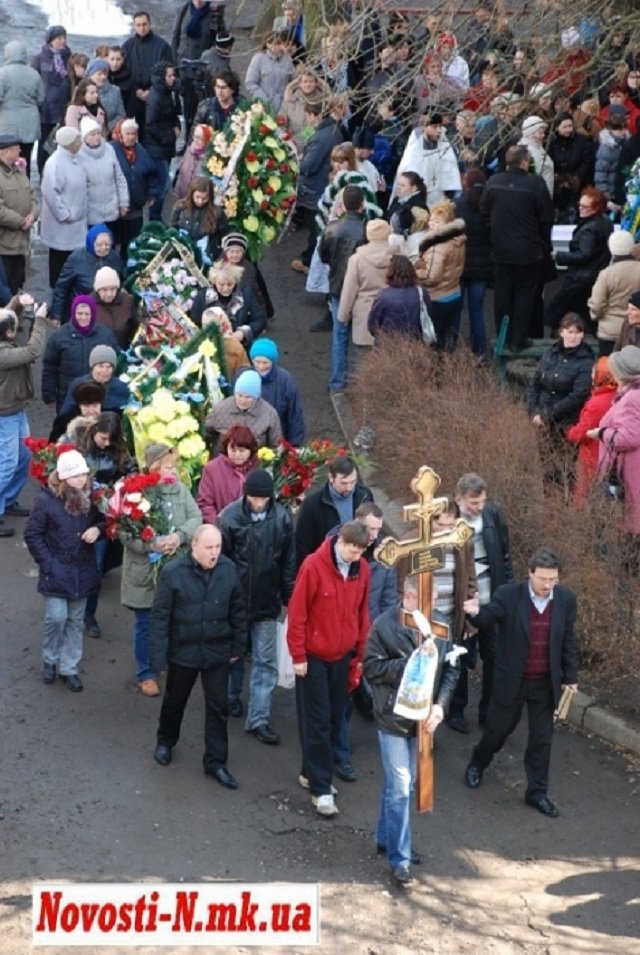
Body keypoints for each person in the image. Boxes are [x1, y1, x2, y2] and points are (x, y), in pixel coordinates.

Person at [464, 548, 578, 818]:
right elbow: (488, 617)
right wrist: (474, 612)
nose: (547, 585)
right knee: (497, 730)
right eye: (543, 579)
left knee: (542, 740)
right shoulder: (508, 594)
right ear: (530, 573)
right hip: (512, 679)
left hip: (544, 682)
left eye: (553, 579)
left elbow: (568, 640)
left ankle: (537, 793)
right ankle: (478, 763)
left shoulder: (565, 600)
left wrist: (571, 677)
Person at [364, 575, 460, 885]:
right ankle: (400, 859)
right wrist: (408, 665)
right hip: (393, 716)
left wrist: (440, 706)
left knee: (404, 784)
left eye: (436, 601)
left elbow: (452, 669)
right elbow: (371, 668)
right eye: (427, 601)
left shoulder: (441, 624)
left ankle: (386, 837)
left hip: (423, 719)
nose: (434, 608)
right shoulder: (385, 625)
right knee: (401, 786)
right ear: (408, 598)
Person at [149, 524, 246, 789]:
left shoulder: (228, 570)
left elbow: (238, 610)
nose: (214, 553)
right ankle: (165, 741)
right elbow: (160, 617)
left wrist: (238, 647)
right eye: (209, 547)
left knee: (218, 707)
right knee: (175, 699)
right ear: (194, 546)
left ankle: (216, 761)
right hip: (184, 650)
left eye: (218, 547)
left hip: (217, 650)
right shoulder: (173, 573)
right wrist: (158, 658)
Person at [287, 520, 371, 816]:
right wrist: (298, 655)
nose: (355, 556)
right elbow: (297, 613)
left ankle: (310, 772)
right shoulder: (313, 566)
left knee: (335, 718)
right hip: (314, 658)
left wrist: (359, 654)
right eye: (352, 550)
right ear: (341, 541)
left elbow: (362, 612)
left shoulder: (363, 570)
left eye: (361, 551)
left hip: (342, 656)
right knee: (318, 721)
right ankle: (321, 789)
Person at [218, 469, 295, 742]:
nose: (259, 503)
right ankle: (230, 697)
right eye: (254, 498)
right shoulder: (229, 518)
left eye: (263, 499)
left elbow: (288, 563)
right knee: (233, 655)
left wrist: (289, 599)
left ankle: (258, 718)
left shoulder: (283, 519)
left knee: (265, 662)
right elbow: (221, 562)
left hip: (266, 601)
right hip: (235, 602)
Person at [121, 442, 202, 698]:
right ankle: (146, 673)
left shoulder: (180, 490)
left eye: (174, 466)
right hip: (145, 571)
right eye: (168, 467)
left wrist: (179, 537)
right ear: (153, 468)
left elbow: (196, 517)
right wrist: (151, 544)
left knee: (172, 620)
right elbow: (125, 531)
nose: (173, 471)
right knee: (146, 622)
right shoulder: (136, 493)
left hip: (174, 567)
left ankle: (164, 661)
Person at [24, 449, 104, 692]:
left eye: (84, 474)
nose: (81, 479)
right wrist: (49, 564)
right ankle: (50, 658)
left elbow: (105, 520)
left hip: (82, 569)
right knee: (57, 617)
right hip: (57, 571)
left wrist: (98, 530)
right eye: (76, 475)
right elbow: (33, 534)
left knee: (75, 621)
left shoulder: (92, 498)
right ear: (64, 477)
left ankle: (70, 668)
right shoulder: (46, 501)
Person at [449, 473, 513, 732]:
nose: (479, 507)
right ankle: (456, 710)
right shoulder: (448, 521)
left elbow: (505, 557)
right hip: (461, 602)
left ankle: (488, 711)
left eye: (482, 501)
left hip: (491, 600)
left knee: (494, 658)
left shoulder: (492, 516)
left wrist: (507, 595)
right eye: (474, 503)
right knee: (459, 657)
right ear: (459, 499)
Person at [481, 144, 554, 351]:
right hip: (528, 251)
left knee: (502, 295)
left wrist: (495, 232)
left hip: (501, 250)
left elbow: (484, 211)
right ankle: (518, 339)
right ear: (525, 161)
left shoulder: (493, 182)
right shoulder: (536, 184)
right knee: (525, 295)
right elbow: (546, 217)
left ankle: (503, 336)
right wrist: (542, 241)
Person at [77, 412, 134, 637]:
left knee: (97, 566)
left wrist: (123, 484)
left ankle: (88, 614)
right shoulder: (79, 447)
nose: (106, 443)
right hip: (77, 512)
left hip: (102, 516)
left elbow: (131, 471)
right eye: (103, 438)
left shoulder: (119, 451)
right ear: (94, 431)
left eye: (111, 439)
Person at [0, 296, 48, 538]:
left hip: (15, 410)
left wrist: (18, 301)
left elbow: (6, 317)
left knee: (25, 456)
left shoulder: (4, 338)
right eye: (15, 328)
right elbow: (33, 351)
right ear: (9, 333)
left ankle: (7, 500)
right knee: (7, 463)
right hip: (5, 416)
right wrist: (40, 321)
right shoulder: (3, 355)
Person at [529, 313, 595, 484]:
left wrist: (548, 415)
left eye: (578, 332)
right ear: (561, 332)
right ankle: (548, 498)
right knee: (546, 467)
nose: (574, 336)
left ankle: (565, 499)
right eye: (570, 331)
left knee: (565, 469)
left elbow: (578, 395)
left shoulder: (585, 361)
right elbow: (535, 383)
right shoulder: (549, 353)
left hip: (567, 422)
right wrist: (534, 410)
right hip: (543, 421)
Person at [318, 184, 366, 393]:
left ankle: (337, 382)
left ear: (343, 205)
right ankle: (359, 383)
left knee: (339, 336)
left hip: (338, 285)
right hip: (361, 290)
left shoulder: (332, 228)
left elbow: (323, 256)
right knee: (361, 339)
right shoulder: (367, 229)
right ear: (362, 204)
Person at [545, 187, 612, 332]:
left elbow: (584, 255)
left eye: (584, 206)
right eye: (580, 205)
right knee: (586, 314)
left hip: (580, 278)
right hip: (592, 275)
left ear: (595, 208)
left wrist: (559, 256)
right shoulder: (605, 222)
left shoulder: (589, 229)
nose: (580, 208)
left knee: (558, 313)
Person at [590, 346, 640, 542]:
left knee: (630, 537)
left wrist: (601, 433)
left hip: (631, 475)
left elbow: (628, 438)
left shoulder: (632, 398)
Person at [295, 455, 373, 569]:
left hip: (358, 564)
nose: (349, 488)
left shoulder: (364, 496)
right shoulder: (312, 505)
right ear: (331, 477)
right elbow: (302, 546)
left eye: (353, 482)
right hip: (326, 567)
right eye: (344, 483)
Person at [414, 198, 466, 351]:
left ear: (446, 223)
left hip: (438, 297)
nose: (431, 224)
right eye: (431, 220)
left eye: (437, 222)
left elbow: (431, 277)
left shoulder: (438, 246)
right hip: (455, 292)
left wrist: (415, 272)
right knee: (449, 342)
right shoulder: (458, 239)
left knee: (432, 341)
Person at [337, 218, 393, 359]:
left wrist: (343, 316)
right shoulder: (398, 256)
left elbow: (349, 290)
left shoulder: (357, 259)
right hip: (390, 314)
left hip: (364, 315)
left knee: (362, 362)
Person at [39, 126, 88, 288]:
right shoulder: (54, 163)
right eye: (78, 140)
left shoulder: (76, 158)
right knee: (60, 261)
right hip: (62, 224)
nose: (81, 143)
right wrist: (64, 214)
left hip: (76, 221)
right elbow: (50, 192)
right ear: (69, 144)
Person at [566, 357, 618, 503]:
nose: (591, 375)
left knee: (585, 495)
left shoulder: (597, 403)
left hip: (593, 456)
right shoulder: (618, 396)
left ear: (601, 377)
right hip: (610, 457)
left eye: (594, 372)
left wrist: (569, 431)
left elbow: (580, 433)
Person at [50, 224, 122, 324]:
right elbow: (61, 288)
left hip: (106, 311)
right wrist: (56, 316)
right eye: (99, 245)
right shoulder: (76, 258)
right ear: (91, 242)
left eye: (107, 244)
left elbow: (120, 283)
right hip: (81, 312)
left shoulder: (115, 258)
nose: (103, 248)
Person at [454, 167, 492, 357]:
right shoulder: (489, 205)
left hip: (460, 266)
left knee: (456, 311)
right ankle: (480, 352)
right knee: (477, 311)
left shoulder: (458, 205)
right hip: (482, 267)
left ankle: (451, 348)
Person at [111, 117, 162, 253]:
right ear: (120, 134)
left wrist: (152, 194)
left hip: (136, 206)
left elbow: (151, 174)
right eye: (128, 134)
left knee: (132, 244)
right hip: (115, 207)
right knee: (113, 242)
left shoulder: (140, 150)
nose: (131, 137)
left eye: (134, 134)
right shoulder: (111, 150)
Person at [393, 112, 461, 206]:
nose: (439, 130)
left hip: (439, 200)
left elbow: (451, 175)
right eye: (434, 127)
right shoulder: (415, 149)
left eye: (440, 126)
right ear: (424, 127)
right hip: (417, 201)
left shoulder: (444, 147)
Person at [121, 12, 173, 137]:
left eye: (144, 24)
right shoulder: (128, 46)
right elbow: (123, 72)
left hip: (157, 97)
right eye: (138, 25)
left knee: (153, 134)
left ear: (150, 24)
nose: (142, 28)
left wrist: (152, 90)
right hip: (133, 97)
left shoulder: (162, 46)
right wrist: (136, 90)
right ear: (134, 26)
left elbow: (168, 72)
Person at [205, 369, 282, 453]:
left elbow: (276, 445)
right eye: (239, 395)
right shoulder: (220, 409)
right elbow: (206, 433)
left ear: (256, 397)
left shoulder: (269, 414)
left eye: (248, 397)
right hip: (223, 459)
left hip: (255, 460)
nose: (243, 400)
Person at [190, 262, 265, 345]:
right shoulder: (202, 296)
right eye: (221, 284)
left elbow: (260, 319)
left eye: (230, 284)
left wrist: (243, 332)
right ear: (214, 281)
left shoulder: (246, 294)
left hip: (239, 345)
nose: (225, 289)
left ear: (235, 281)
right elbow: (194, 322)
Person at [197, 423, 257, 525]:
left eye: (242, 451)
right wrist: (219, 525)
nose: (237, 455)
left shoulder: (258, 468)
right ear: (226, 448)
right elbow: (205, 504)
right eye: (233, 450)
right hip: (220, 526)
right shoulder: (212, 469)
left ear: (250, 450)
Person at [0, 41, 44, 178]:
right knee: (25, 160)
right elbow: (41, 98)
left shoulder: (2, 74)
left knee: (6, 161)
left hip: (7, 124)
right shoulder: (34, 74)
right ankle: (25, 185)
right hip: (30, 123)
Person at [249, 338, 305, 446]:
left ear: (273, 361)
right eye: (257, 362)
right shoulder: (244, 378)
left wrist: (294, 444)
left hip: (278, 439)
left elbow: (294, 413)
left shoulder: (285, 380)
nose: (261, 367)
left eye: (265, 362)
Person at [0, 135, 38, 294]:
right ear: (4, 152)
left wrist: (33, 214)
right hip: (4, 247)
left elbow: (33, 196)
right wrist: (22, 222)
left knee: (18, 285)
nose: (20, 151)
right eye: (16, 149)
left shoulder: (19, 172)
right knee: (5, 291)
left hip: (21, 245)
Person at [78, 116, 130, 232]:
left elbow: (119, 178)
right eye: (92, 134)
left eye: (98, 133)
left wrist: (123, 202)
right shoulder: (79, 156)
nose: (96, 137)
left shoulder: (109, 150)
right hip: (91, 215)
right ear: (84, 137)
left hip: (112, 212)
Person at [32, 25, 71, 178]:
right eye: (58, 38)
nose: (62, 41)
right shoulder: (39, 59)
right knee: (44, 145)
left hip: (64, 108)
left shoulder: (69, 58)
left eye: (64, 38)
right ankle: (43, 175)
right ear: (50, 40)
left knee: (63, 144)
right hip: (45, 110)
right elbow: (33, 83)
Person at [144, 61, 180, 221]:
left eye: (173, 75)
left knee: (162, 182)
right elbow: (150, 125)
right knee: (163, 182)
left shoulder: (168, 92)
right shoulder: (156, 97)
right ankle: (155, 217)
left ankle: (156, 216)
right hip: (157, 147)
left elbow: (174, 113)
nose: (173, 78)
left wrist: (177, 126)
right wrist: (170, 136)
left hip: (165, 146)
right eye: (169, 76)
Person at [368, 254, 428, 343]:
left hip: (388, 344)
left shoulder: (383, 296)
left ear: (390, 273)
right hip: (415, 343)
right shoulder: (422, 293)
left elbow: (373, 325)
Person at [170, 176, 226, 265]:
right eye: (197, 197)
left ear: (210, 197)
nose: (200, 201)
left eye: (204, 198)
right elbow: (172, 228)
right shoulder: (180, 207)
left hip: (206, 255)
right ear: (191, 194)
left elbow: (224, 235)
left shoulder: (217, 212)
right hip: (181, 253)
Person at [244, 32, 293, 114]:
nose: (274, 46)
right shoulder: (258, 58)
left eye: (278, 43)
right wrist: (264, 99)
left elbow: (292, 81)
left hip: (282, 106)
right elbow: (250, 83)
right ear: (266, 44)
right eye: (270, 43)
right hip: (261, 106)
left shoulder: (288, 60)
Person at [85, 58, 125, 134]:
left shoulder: (115, 90)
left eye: (105, 74)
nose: (103, 77)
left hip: (110, 132)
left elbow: (121, 114)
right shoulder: (83, 90)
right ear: (91, 75)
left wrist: (107, 128)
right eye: (99, 74)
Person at [173, 123, 212, 200]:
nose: (196, 140)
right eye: (195, 136)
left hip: (197, 200)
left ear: (206, 140)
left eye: (200, 138)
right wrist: (177, 191)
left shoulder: (209, 159)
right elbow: (181, 172)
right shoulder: (189, 150)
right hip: (182, 195)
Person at [518, 115, 554, 196]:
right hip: (536, 195)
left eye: (543, 132)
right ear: (531, 133)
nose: (543, 135)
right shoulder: (526, 151)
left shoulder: (537, 146)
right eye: (540, 133)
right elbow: (531, 176)